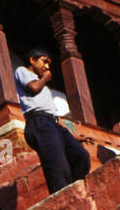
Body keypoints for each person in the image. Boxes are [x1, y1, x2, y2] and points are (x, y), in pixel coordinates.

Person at [14, 47, 91, 195]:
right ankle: (62, 197)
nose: (47, 67)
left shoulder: (43, 86)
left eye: (48, 64)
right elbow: (33, 88)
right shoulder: (22, 71)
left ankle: (73, 190)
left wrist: (72, 133)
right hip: (38, 122)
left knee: (80, 156)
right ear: (32, 60)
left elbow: (54, 114)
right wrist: (45, 78)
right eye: (44, 61)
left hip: (52, 123)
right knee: (57, 165)